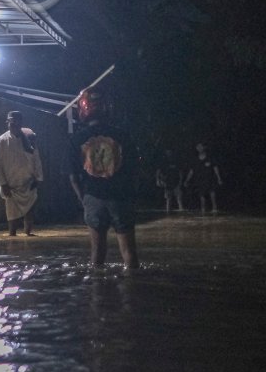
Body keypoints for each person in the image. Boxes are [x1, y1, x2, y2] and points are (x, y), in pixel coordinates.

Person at [67, 89, 139, 268]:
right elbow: (134, 170)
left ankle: (97, 292)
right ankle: (134, 291)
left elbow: (72, 175)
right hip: (121, 197)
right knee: (129, 252)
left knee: (97, 253)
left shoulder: (77, 139)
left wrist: (83, 199)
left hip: (93, 197)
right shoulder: (122, 135)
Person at [0, 110, 43, 236]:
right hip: (11, 186)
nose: (15, 126)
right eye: (12, 123)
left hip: (28, 183)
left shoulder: (29, 138)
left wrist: (38, 179)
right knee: (12, 216)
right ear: (7, 124)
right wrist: (3, 184)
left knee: (30, 211)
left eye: (17, 124)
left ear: (21, 124)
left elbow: (36, 159)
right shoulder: (2, 141)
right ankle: (12, 237)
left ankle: (28, 236)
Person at [185, 142, 223, 214]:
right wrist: (187, 180)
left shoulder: (210, 157)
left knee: (212, 193)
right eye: (197, 147)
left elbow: (215, 168)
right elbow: (191, 171)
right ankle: (203, 209)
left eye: (200, 146)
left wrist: (219, 178)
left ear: (204, 147)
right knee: (201, 195)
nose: (199, 148)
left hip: (210, 179)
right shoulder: (194, 159)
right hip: (200, 180)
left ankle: (214, 208)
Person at [155, 149, 185, 213]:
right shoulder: (163, 161)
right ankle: (168, 213)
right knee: (168, 200)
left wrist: (180, 182)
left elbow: (180, 173)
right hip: (167, 183)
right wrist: (158, 180)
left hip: (176, 183)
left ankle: (182, 213)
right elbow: (158, 172)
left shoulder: (176, 161)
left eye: (170, 152)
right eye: (167, 152)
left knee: (179, 199)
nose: (168, 153)